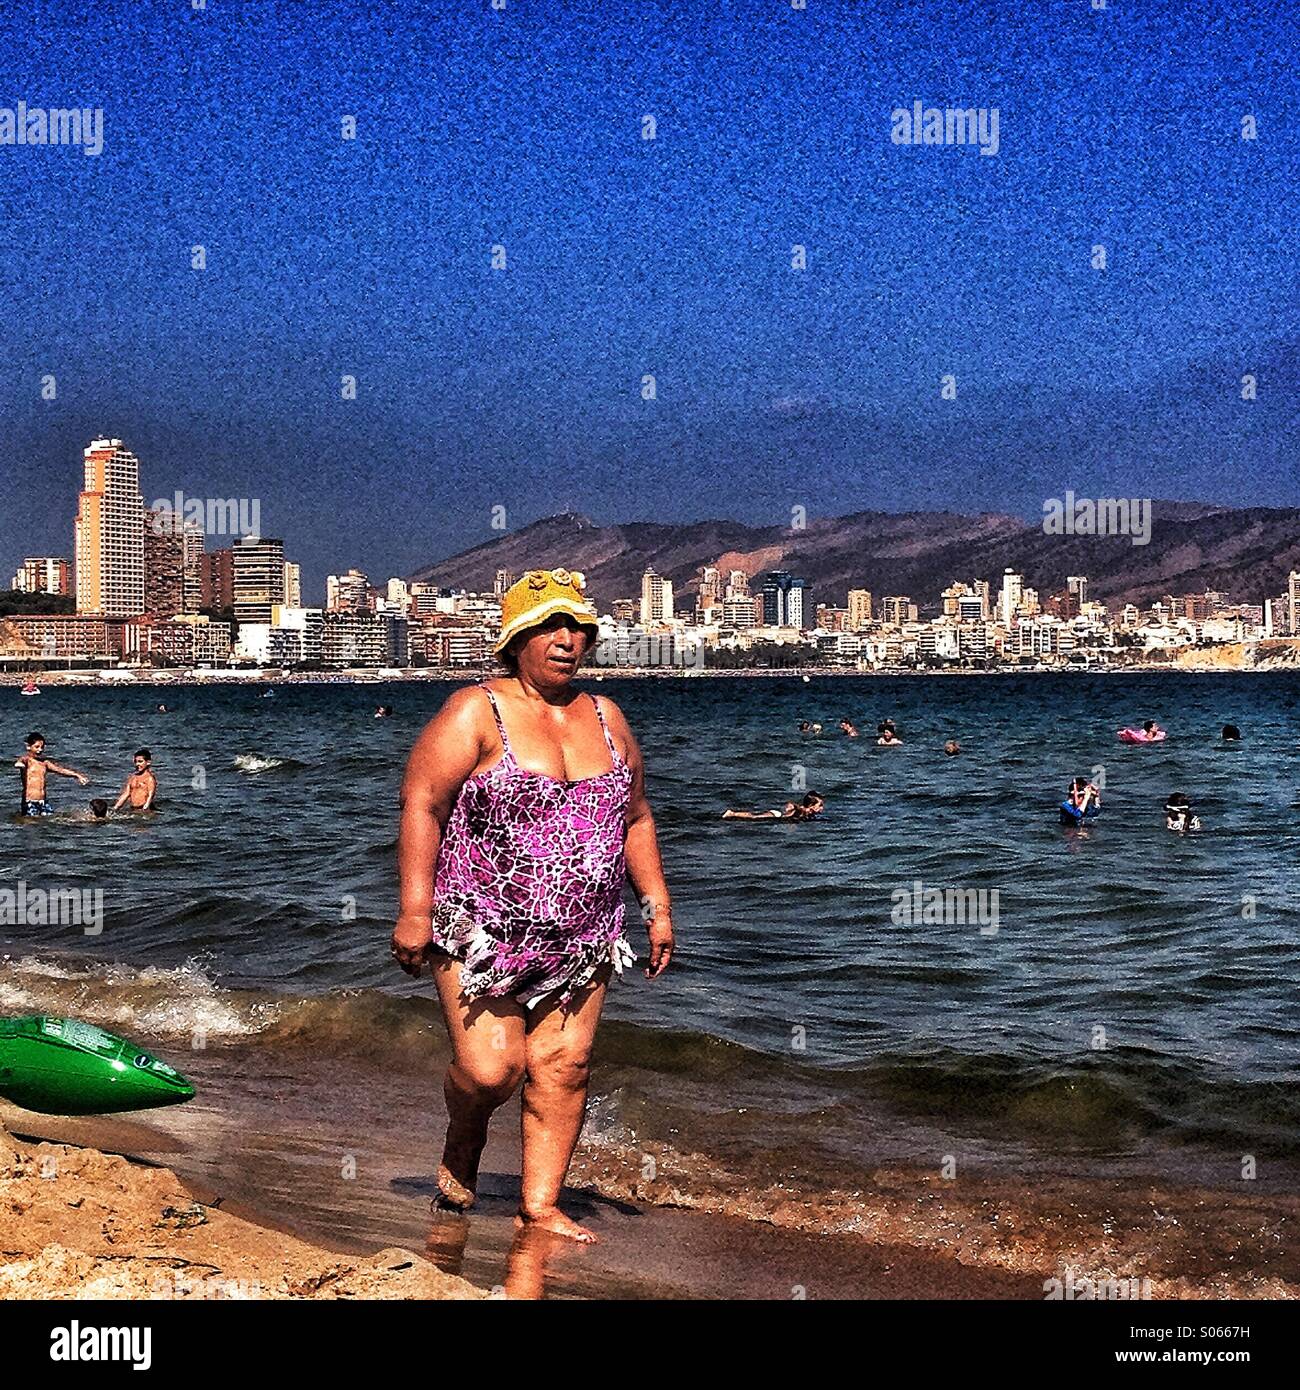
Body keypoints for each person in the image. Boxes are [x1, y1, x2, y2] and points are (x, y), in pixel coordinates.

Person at [393, 568, 673, 1243]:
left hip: (584, 933)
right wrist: (413, 908)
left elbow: (634, 816)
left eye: (578, 627)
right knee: (493, 1070)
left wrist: (656, 904)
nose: (567, 639)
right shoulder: (475, 711)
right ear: (516, 637)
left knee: (565, 1066)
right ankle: (465, 1135)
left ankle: (539, 1207)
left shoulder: (606, 719)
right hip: (480, 928)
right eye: (550, 625)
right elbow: (422, 804)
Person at [14, 732, 89, 816]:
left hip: (43, 801)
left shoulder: (44, 763)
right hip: (30, 801)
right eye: (37, 747)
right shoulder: (27, 760)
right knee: (32, 824)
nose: (40, 750)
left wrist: (77, 775)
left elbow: (60, 770)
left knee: (51, 820)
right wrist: (20, 764)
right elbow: (21, 761)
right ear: (28, 747)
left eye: (42, 747)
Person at [723, 792, 825, 821]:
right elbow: (795, 805)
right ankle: (732, 813)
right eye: (819, 805)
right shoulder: (803, 810)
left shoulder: (810, 814)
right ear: (811, 805)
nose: (822, 808)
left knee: (755, 816)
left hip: (780, 816)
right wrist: (793, 806)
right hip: (777, 815)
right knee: (754, 817)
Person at [113, 749, 157, 813]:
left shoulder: (149, 778)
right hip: (134, 808)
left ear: (148, 762)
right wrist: (116, 808)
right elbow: (126, 794)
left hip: (145, 808)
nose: (137, 764)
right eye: (136, 762)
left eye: (140, 761)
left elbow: (150, 795)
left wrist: (145, 808)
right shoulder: (133, 777)